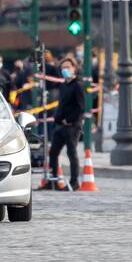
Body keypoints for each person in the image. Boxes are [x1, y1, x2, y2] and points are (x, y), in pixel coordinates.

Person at [48, 55, 85, 190]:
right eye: (63, 68)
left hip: (72, 125)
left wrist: (70, 120)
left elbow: (81, 107)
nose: (65, 70)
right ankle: (53, 180)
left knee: (71, 153)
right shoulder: (63, 85)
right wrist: (58, 119)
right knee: (53, 152)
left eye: (68, 67)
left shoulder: (78, 85)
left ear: (74, 68)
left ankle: (74, 182)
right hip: (60, 125)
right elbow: (62, 104)